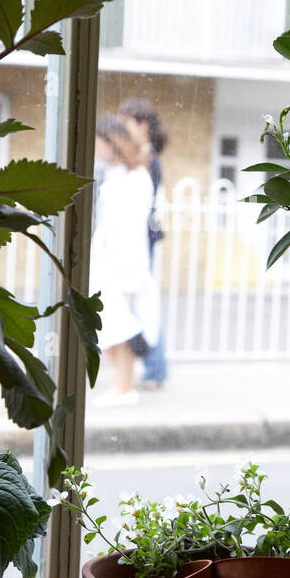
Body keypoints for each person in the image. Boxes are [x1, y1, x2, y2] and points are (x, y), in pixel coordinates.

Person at [89, 116, 161, 407]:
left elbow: (130, 227)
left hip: (124, 265)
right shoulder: (115, 172)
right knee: (112, 327)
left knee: (122, 328)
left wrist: (128, 270)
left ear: (110, 141)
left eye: (96, 143)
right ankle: (122, 385)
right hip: (109, 263)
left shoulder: (136, 177)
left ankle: (124, 388)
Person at [119, 98, 169, 389]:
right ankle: (152, 368)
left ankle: (154, 369)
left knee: (144, 300)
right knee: (141, 300)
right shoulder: (143, 157)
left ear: (143, 125)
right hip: (138, 238)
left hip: (140, 240)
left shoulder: (148, 160)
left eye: (127, 122)